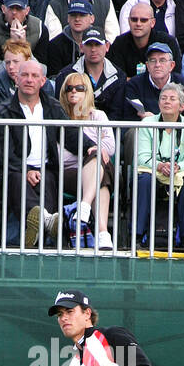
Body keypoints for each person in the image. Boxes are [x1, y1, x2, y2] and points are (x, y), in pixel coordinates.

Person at [0, 58, 69, 243]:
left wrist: (92, 146)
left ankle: (38, 233)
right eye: (24, 75)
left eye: (34, 76)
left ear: (42, 81)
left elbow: (72, 134)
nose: (29, 79)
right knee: (18, 179)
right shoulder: (4, 111)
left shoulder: (53, 107)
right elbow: (2, 152)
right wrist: (26, 170)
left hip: (46, 169)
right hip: (14, 170)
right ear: (16, 80)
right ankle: (46, 222)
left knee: (49, 180)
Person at [135, 82, 184, 245]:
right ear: (158, 104)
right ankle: (136, 234)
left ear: (182, 106)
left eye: (172, 99)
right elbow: (142, 157)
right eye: (163, 98)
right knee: (143, 180)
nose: (167, 101)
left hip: (179, 172)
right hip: (153, 171)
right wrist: (159, 165)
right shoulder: (147, 123)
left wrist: (177, 167)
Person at [56, 72, 116, 247]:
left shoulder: (98, 116)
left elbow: (110, 147)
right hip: (70, 173)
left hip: (98, 170)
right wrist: (88, 147)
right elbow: (61, 156)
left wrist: (94, 150)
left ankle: (85, 206)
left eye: (79, 88)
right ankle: (103, 233)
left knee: (98, 161)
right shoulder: (60, 117)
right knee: (99, 168)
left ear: (87, 91)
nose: (74, 92)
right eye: (69, 88)